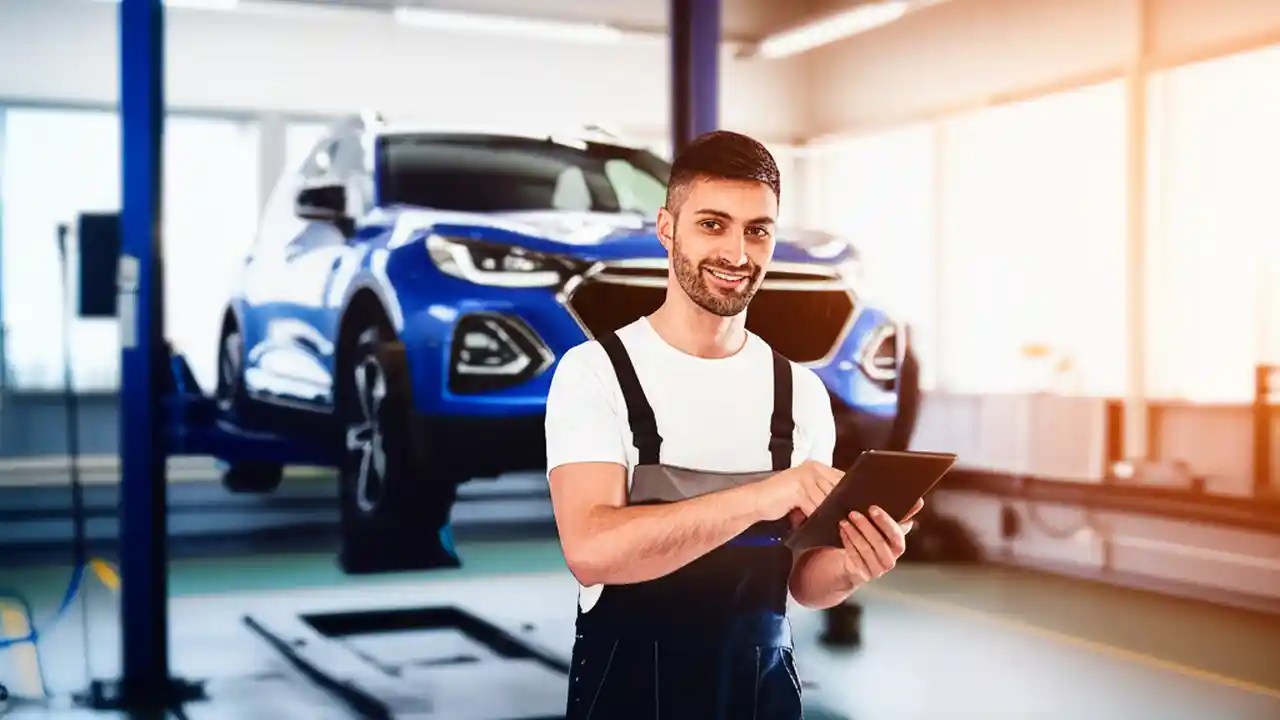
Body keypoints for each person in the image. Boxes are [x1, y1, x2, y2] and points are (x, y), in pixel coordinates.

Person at [544, 130, 922, 719]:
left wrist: (853, 565)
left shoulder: (800, 393)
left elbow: (804, 582)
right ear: (668, 228)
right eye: (712, 224)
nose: (737, 254)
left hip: (761, 693)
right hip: (630, 692)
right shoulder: (595, 373)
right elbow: (592, 550)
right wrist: (764, 493)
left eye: (758, 230)